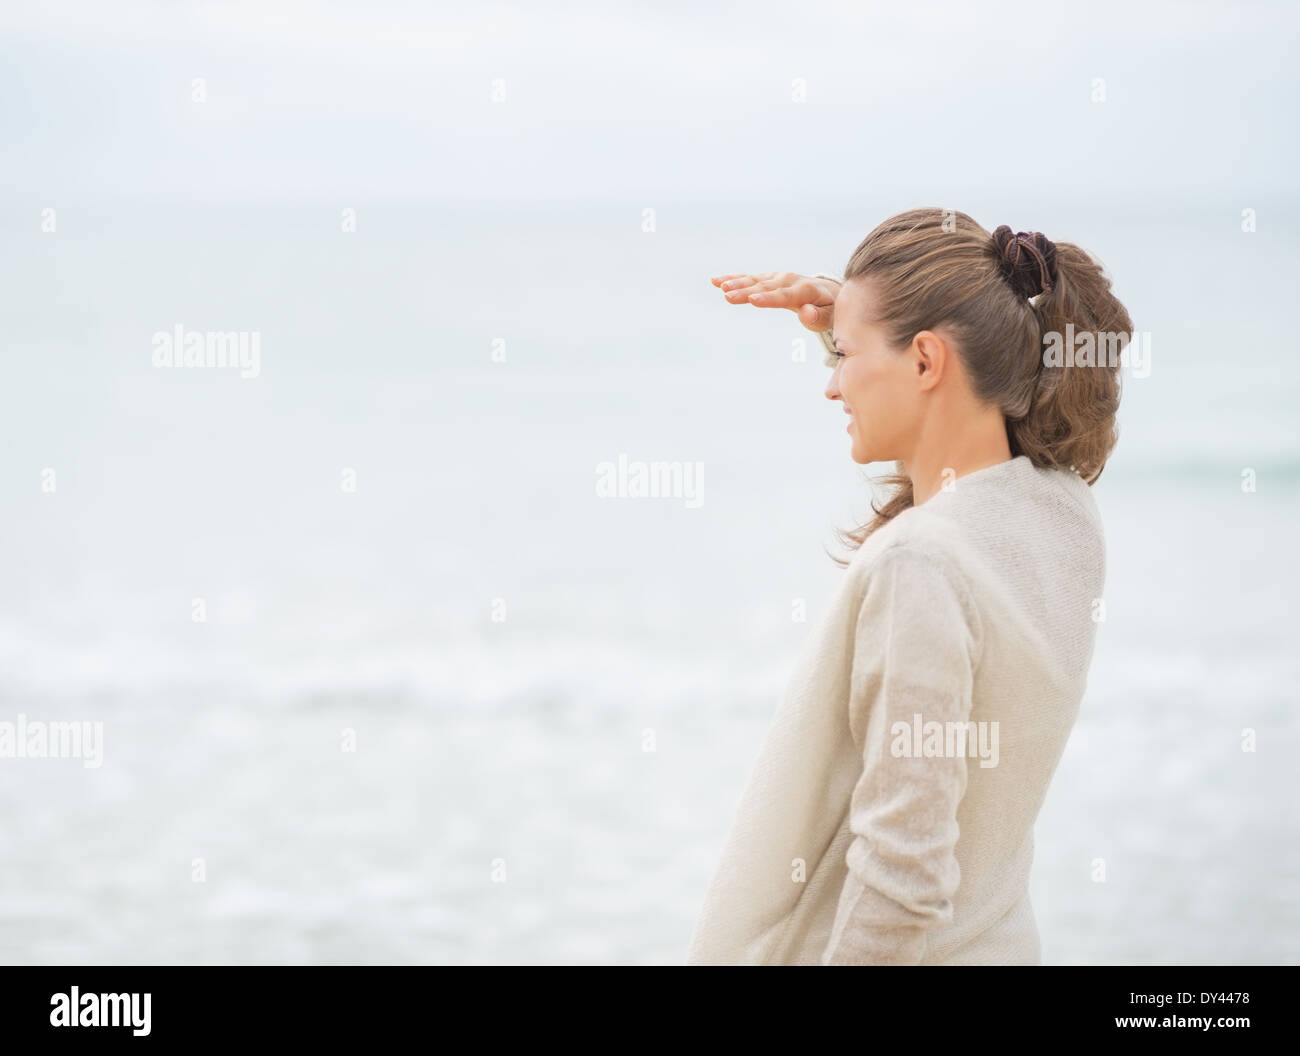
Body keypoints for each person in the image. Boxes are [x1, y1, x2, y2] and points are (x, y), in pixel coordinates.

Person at [686, 207, 1134, 965]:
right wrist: (868, 323)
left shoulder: (920, 565)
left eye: (842, 356)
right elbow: (960, 463)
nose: (832, 385)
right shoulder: (1063, 516)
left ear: (927, 363)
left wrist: (868, 321)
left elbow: (902, 872)